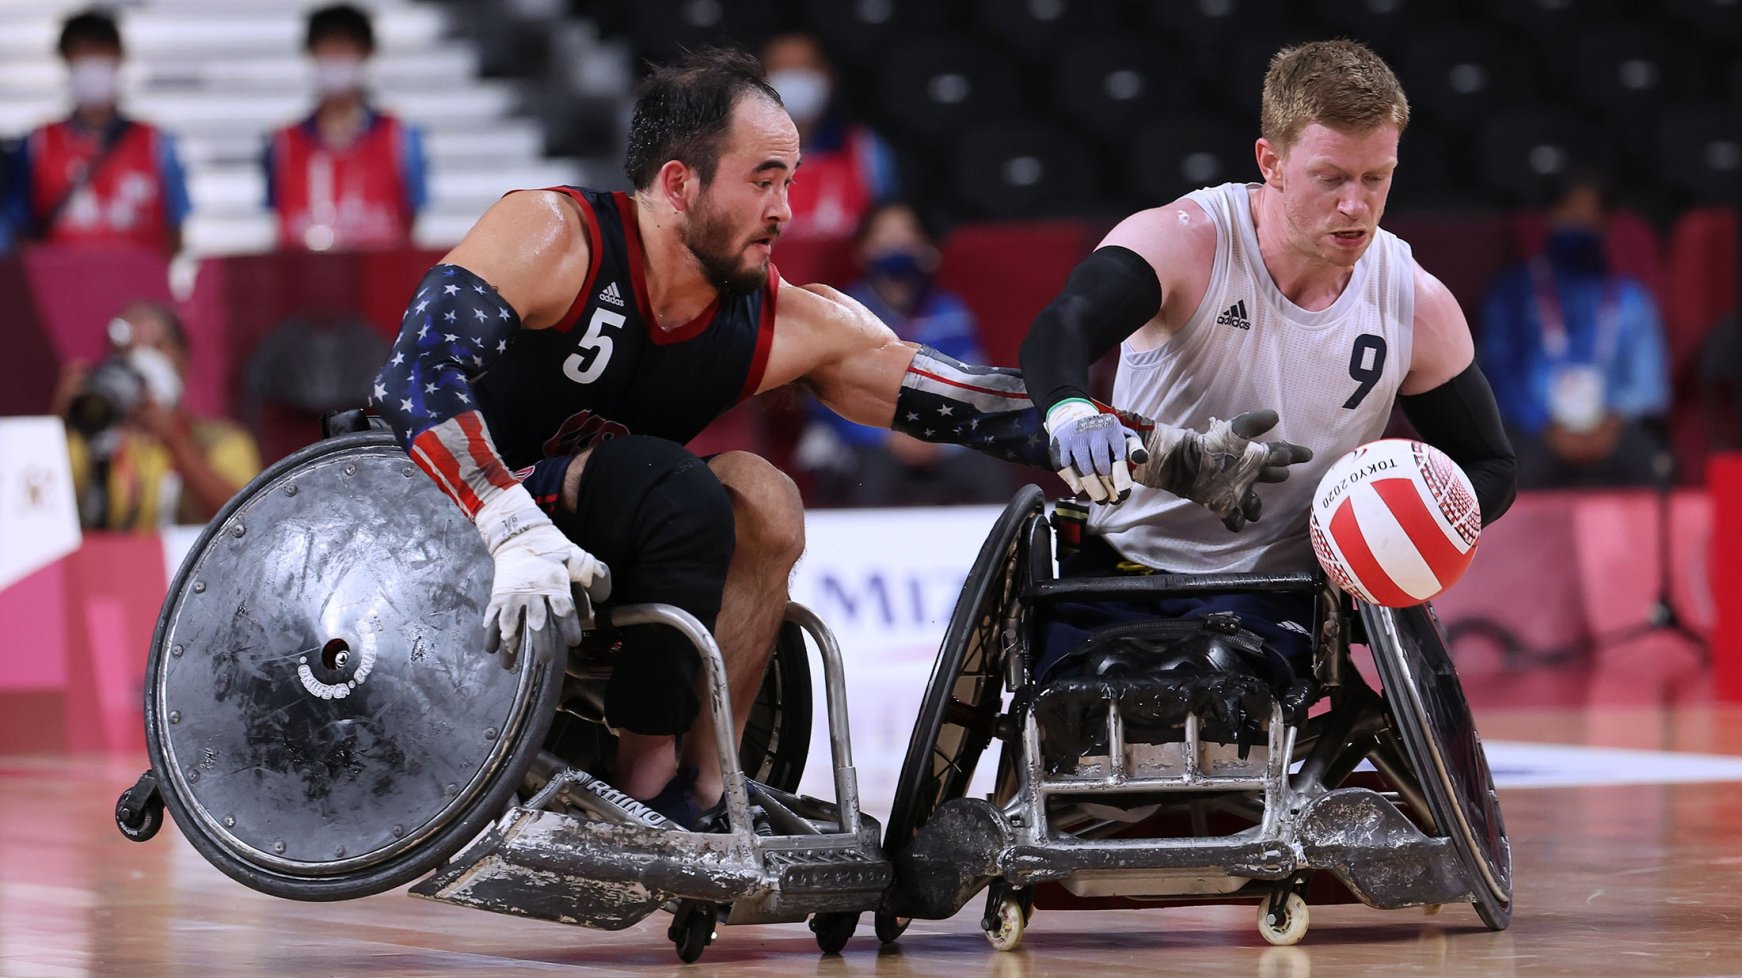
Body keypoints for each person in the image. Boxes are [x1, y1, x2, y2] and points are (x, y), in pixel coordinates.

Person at [370, 49, 1057, 830]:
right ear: (678, 185)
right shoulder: (556, 235)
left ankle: (703, 790)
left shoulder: (778, 319)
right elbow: (412, 375)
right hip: (443, 517)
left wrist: (1108, 430)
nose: (785, 210)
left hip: (605, 525)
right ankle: (646, 779)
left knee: (764, 497)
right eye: (763, 181)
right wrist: (505, 519)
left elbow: (961, 399)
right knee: (667, 481)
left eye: (790, 182)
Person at [1019, 39, 1516, 677]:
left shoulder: (1414, 301)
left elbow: (1492, 465)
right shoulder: (1189, 239)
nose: (1355, 205)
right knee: (1085, 695)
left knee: (1220, 693)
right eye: (1331, 178)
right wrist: (1070, 410)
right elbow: (1064, 323)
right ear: (1272, 162)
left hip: (1276, 588)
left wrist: (1423, 516)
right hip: (1120, 563)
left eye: (1375, 178)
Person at [797, 200, 1014, 505]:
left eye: (906, 235)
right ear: (863, 249)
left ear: (928, 250)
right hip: (866, 437)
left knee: (989, 472)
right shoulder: (841, 314)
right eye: (884, 235)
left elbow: (974, 389)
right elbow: (822, 395)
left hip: (942, 436)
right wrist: (888, 437)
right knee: (872, 477)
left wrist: (936, 437)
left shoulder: (951, 313)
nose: (896, 244)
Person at [1479, 172, 1670, 488]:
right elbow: (1499, 375)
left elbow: (1649, 385)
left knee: (1652, 463)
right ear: (1550, 216)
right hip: (1536, 429)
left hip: (1612, 430)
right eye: (1570, 210)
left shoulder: (1630, 298)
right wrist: (1544, 424)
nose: (1580, 221)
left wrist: (1610, 426)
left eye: (1590, 213)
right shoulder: (1513, 292)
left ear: (1607, 223)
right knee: (1505, 469)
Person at [57, 301, 261, 530]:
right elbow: (42, 504)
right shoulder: (91, 442)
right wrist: (60, 422)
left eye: (157, 346)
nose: (140, 360)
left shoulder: (223, 440)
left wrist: (175, 440)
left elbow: (247, 520)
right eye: (126, 350)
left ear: (184, 360)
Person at [6, 9, 191, 255]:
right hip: (60, 280)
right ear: (66, 62)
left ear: (119, 59)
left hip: (139, 281)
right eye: (83, 55)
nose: (93, 66)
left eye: (101, 54)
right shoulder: (37, 146)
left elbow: (175, 232)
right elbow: (17, 234)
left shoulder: (156, 144)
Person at [263, 3, 428, 251]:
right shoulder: (282, 143)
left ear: (366, 54)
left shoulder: (401, 139)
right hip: (304, 273)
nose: (337, 58)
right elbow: (276, 226)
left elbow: (412, 226)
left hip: (379, 274)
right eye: (328, 49)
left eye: (345, 48)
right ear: (312, 54)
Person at [759, 32, 899, 241]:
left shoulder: (865, 148)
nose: (796, 78)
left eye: (805, 67)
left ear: (829, 76)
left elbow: (890, 222)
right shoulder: (736, 153)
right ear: (761, 80)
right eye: (783, 68)